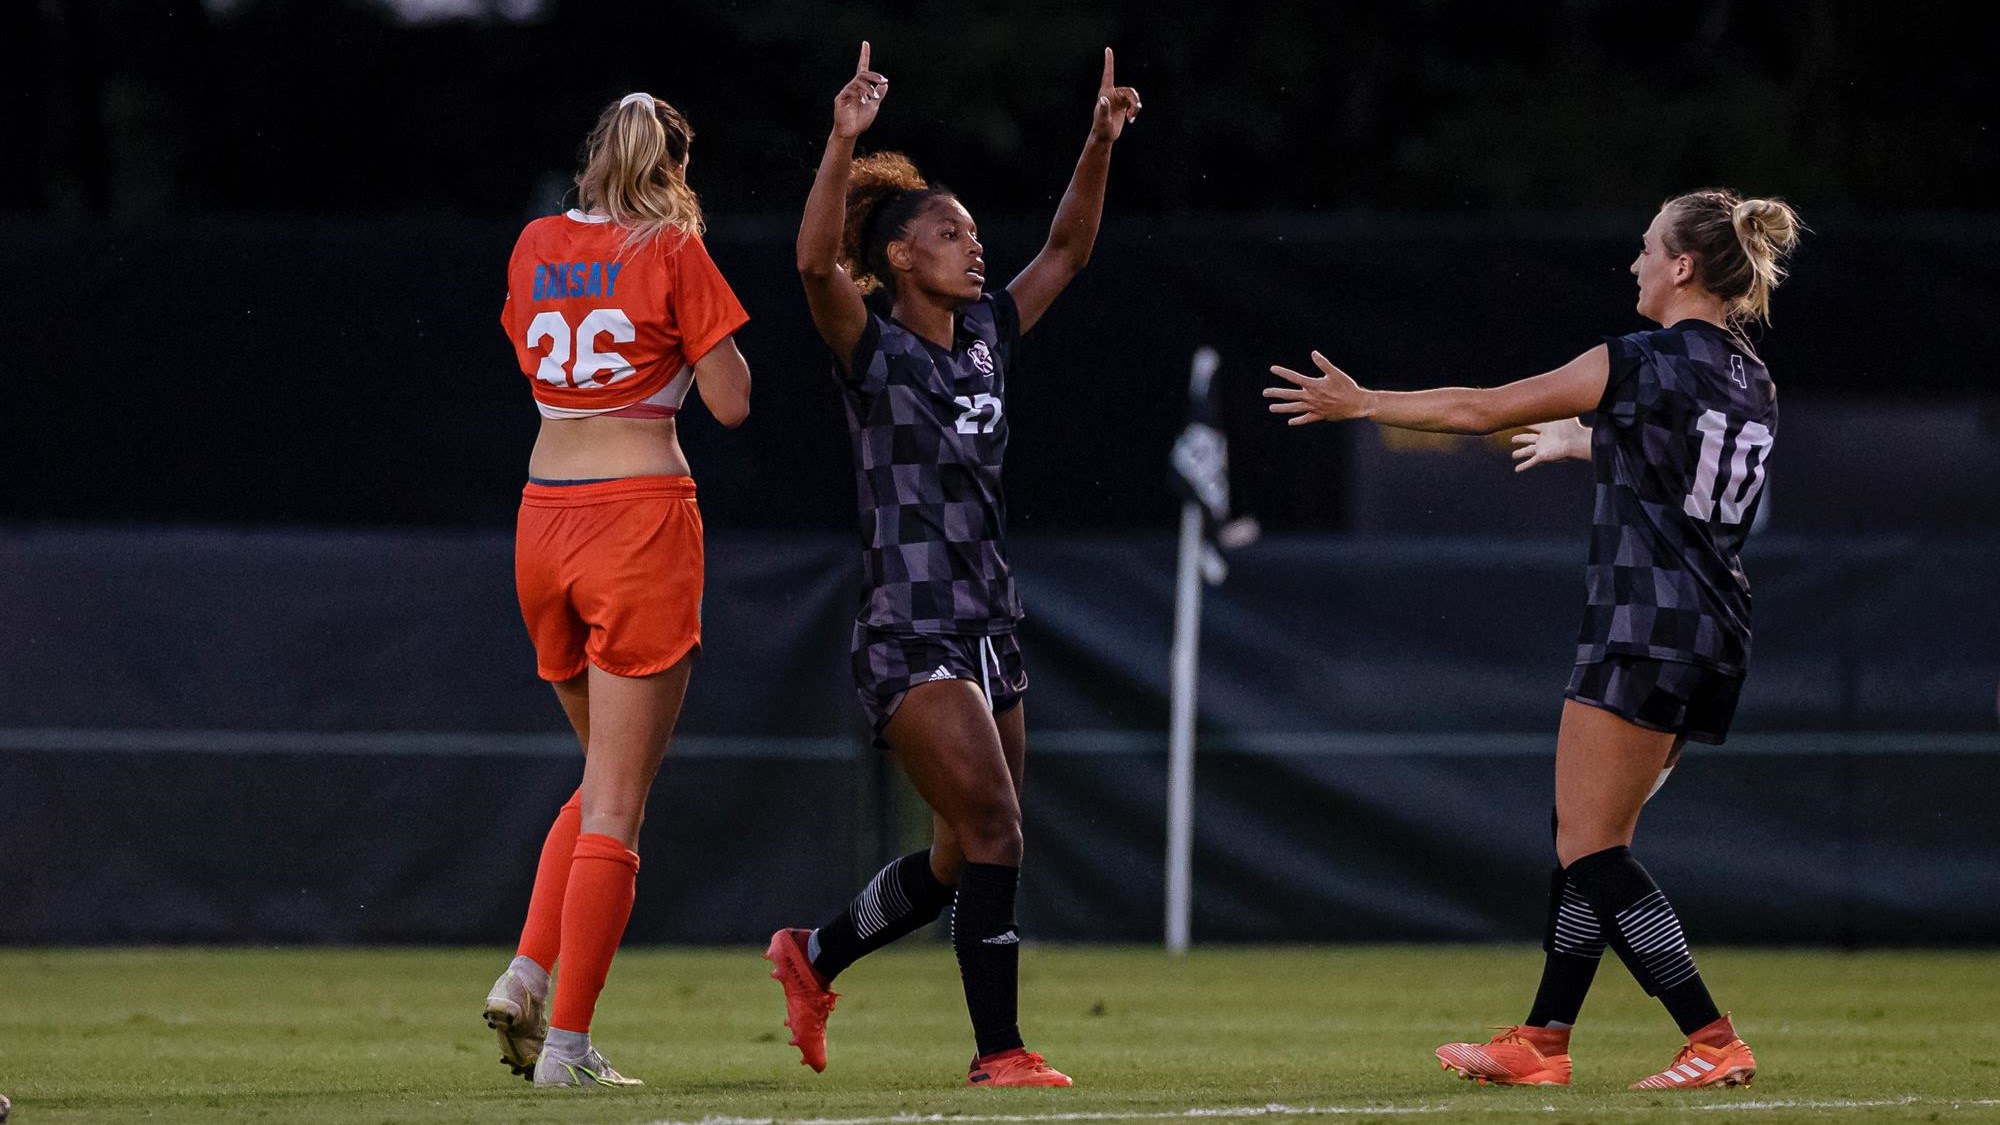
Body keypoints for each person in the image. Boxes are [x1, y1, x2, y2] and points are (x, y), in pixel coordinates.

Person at [1265, 190, 1801, 1090]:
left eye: (1645, 249)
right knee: (1584, 833)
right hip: (1715, 630)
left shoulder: (1640, 358)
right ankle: (1544, 1040)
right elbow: (1686, 472)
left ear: (1681, 267)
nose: (1633, 263)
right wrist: (1590, 444)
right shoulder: (1752, 375)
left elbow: (1481, 407)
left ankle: (1712, 1036)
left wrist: (1365, 403)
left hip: (1642, 623)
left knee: (1593, 848)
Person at [763, 43, 1140, 1089]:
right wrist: (841, 139)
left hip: (988, 623)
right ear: (894, 260)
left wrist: (1097, 142)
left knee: (954, 857)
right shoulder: (871, 349)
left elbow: (1064, 248)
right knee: (994, 829)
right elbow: (807, 266)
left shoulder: (983, 336)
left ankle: (814, 954)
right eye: (947, 232)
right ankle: (1000, 1053)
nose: (972, 247)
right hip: (910, 627)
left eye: (973, 230)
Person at [482, 91, 752, 1089]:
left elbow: (539, 366)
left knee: (601, 773)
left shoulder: (533, 240)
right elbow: (730, 404)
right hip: (635, 516)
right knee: (619, 805)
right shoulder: (673, 249)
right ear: (673, 168)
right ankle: (566, 1048)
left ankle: (524, 973)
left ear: (593, 154)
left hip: (541, 517)